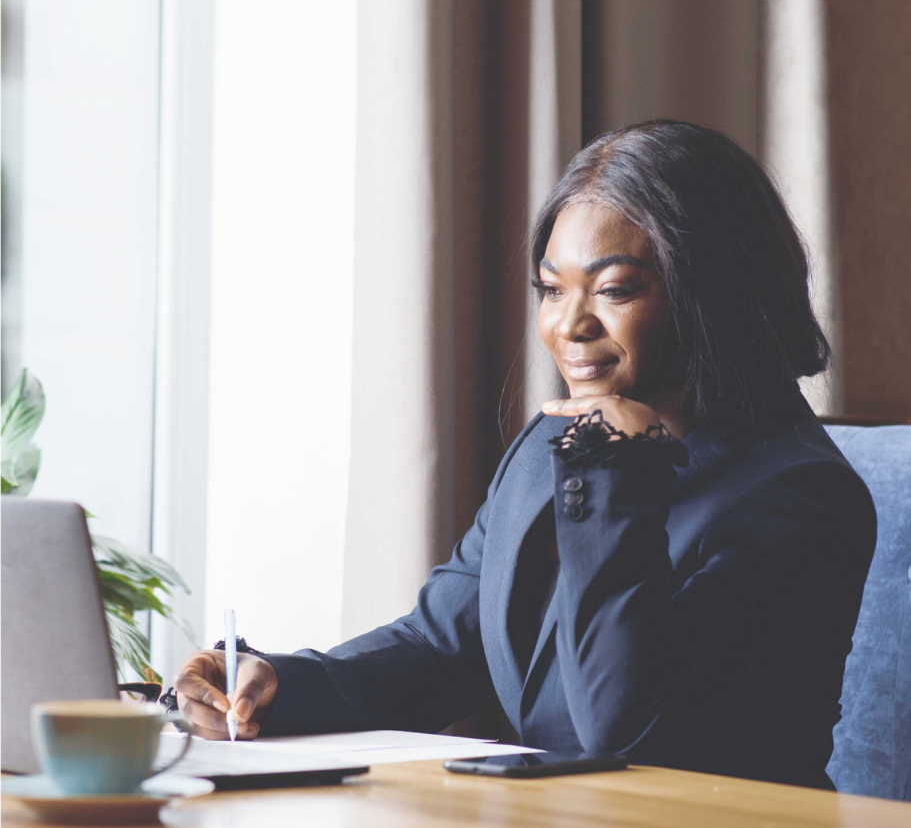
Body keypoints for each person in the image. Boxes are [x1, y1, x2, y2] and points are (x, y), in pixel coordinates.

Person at [174, 120, 875, 789]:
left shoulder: (802, 497)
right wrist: (278, 683)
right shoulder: (553, 448)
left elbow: (626, 731)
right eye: (551, 289)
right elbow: (442, 647)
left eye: (613, 289)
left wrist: (611, 468)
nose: (568, 325)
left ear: (713, 292)